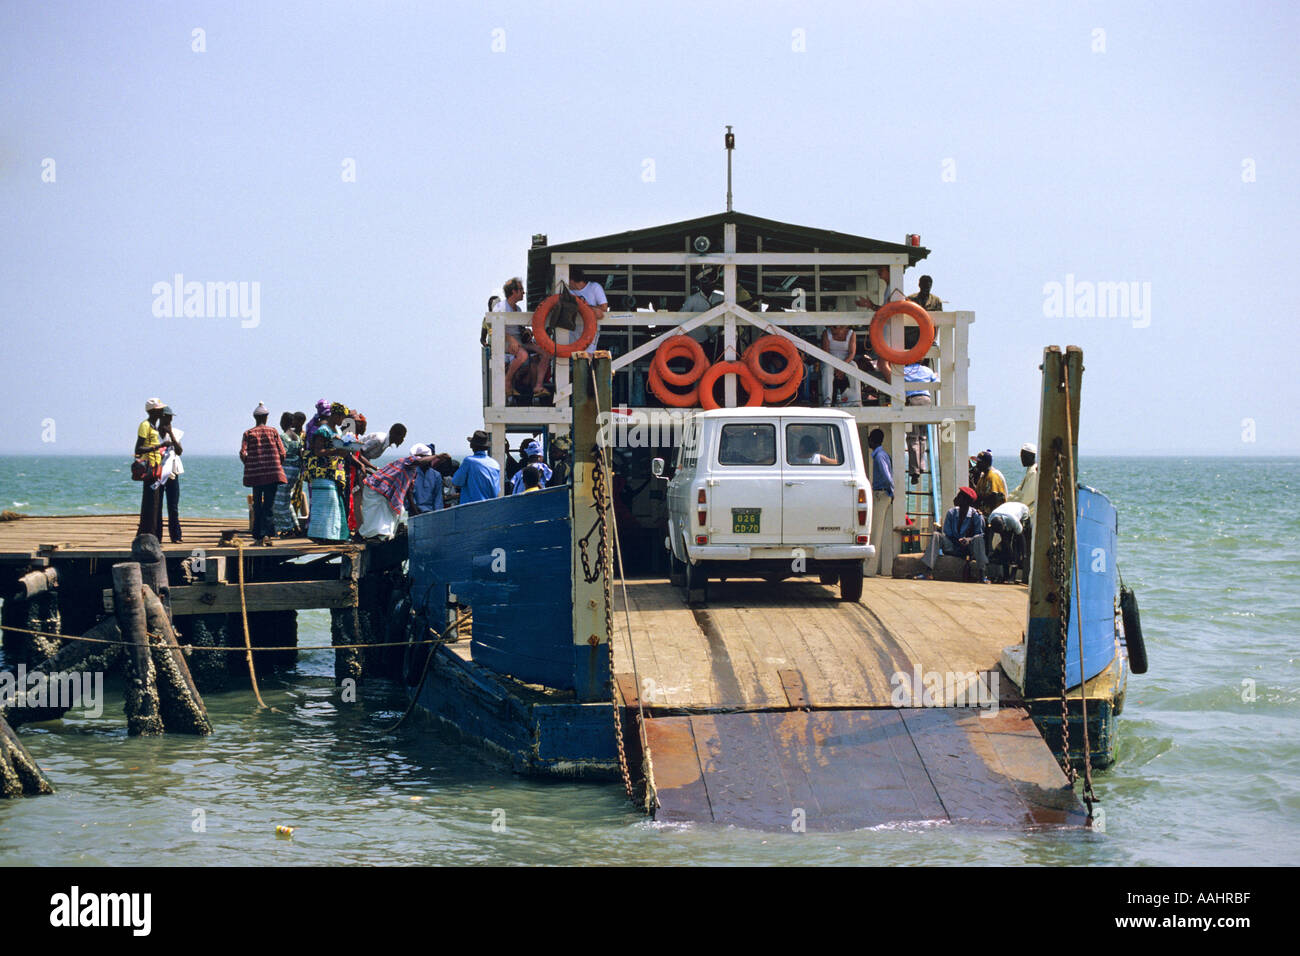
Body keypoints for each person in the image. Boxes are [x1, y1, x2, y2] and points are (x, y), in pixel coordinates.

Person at [359, 447, 440, 540]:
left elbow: (408, 491)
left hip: (384, 490)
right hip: (376, 488)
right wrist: (437, 456)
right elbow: (419, 461)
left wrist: (415, 510)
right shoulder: (409, 461)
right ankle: (374, 535)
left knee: (397, 510)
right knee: (375, 514)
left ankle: (385, 535)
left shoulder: (413, 470)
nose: (429, 462)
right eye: (428, 458)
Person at [304, 403, 354, 542]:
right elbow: (318, 451)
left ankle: (331, 535)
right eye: (341, 418)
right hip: (323, 473)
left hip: (333, 473)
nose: (342, 421)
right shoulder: (323, 431)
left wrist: (344, 450)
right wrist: (336, 450)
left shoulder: (335, 431)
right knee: (326, 504)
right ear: (336, 415)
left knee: (333, 505)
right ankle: (320, 535)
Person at [240, 403, 287, 545]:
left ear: (255, 417)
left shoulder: (248, 433)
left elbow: (243, 453)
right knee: (269, 504)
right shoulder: (273, 432)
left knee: (257, 504)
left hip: (256, 475)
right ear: (266, 417)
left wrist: (250, 465)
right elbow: (282, 453)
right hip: (273, 474)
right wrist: (277, 464)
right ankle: (268, 534)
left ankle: (258, 535)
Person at [922, 486, 988, 581]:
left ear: (967, 501)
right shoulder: (951, 513)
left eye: (959, 497)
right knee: (937, 535)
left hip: (968, 549)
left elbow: (980, 534)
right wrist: (958, 541)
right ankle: (928, 571)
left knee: (979, 539)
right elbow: (947, 533)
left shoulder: (976, 516)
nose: (956, 499)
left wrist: (969, 540)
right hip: (953, 546)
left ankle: (982, 575)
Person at [135, 398, 170, 540]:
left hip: (156, 469)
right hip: (149, 469)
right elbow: (138, 448)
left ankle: (150, 535)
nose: (162, 411)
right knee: (150, 504)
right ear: (153, 411)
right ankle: (146, 535)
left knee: (154, 504)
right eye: (160, 409)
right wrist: (158, 447)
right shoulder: (145, 425)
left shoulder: (153, 427)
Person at [904, 360, 939, 482]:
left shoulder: (905, 371)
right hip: (926, 401)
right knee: (923, 437)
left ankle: (915, 471)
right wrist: (936, 375)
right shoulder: (927, 370)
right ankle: (922, 465)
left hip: (912, 401)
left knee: (913, 438)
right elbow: (936, 382)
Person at [155, 405, 184, 543]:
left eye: (171, 417)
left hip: (172, 472)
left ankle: (176, 536)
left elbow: (179, 451)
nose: (169, 420)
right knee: (157, 506)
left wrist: (171, 434)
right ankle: (157, 536)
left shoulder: (176, 433)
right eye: (167, 417)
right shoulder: (153, 433)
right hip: (157, 473)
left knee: (173, 507)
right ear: (161, 417)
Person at [867, 428, 893, 576]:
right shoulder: (882, 455)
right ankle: (870, 568)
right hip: (882, 493)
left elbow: (887, 477)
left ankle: (870, 569)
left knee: (875, 533)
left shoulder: (879, 457)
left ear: (873, 440)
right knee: (875, 531)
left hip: (881, 493)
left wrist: (891, 491)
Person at [987, 500, 1032, 582]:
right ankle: (1006, 574)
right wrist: (991, 549)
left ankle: (1013, 575)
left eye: (1001, 530)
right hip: (1007, 509)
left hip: (1022, 512)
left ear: (1004, 524)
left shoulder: (1013, 521)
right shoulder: (991, 519)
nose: (1001, 533)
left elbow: (1021, 538)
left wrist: (1023, 554)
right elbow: (990, 536)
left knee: (1016, 545)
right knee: (1005, 545)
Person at [273, 412, 302, 536]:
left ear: (284, 423)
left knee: (279, 502)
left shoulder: (283, 437)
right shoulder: (297, 437)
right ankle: (296, 526)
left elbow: (281, 454)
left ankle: (287, 529)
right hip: (295, 471)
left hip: (285, 471)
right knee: (286, 500)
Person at [452, 430, 501, 503]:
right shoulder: (495, 464)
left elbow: (456, 482)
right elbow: (496, 490)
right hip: (491, 507)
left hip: (472, 508)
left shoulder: (469, 461)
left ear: (471, 446)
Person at [567, 266, 609, 348]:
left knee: (587, 356)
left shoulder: (594, 287)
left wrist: (583, 306)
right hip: (572, 328)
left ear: (571, 280)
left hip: (591, 327)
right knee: (572, 355)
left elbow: (604, 308)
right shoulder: (568, 291)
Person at [820, 325, 860, 407]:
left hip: (846, 360)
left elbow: (852, 353)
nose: (831, 329)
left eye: (834, 327)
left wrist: (842, 368)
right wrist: (837, 368)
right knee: (827, 368)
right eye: (830, 327)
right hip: (830, 360)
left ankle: (856, 400)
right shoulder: (826, 333)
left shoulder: (851, 333)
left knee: (854, 367)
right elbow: (826, 353)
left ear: (843, 327)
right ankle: (827, 400)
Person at [408, 444, 450, 515]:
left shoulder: (436, 475)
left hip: (431, 512)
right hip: (415, 511)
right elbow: (409, 496)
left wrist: (437, 513)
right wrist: (416, 510)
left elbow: (438, 497)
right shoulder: (411, 474)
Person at [969, 450, 1008, 518]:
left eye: (979, 462)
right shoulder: (983, 476)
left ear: (986, 463)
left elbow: (994, 497)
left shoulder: (993, 476)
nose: (977, 464)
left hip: (995, 515)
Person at [1006, 442, 1039, 514]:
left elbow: (1026, 498)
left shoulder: (1033, 472)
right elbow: (1019, 490)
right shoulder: (1030, 470)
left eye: (1024, 456)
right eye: (1021, 456)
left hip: (1031, 513)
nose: (1022, 458)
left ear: (1032, 456)